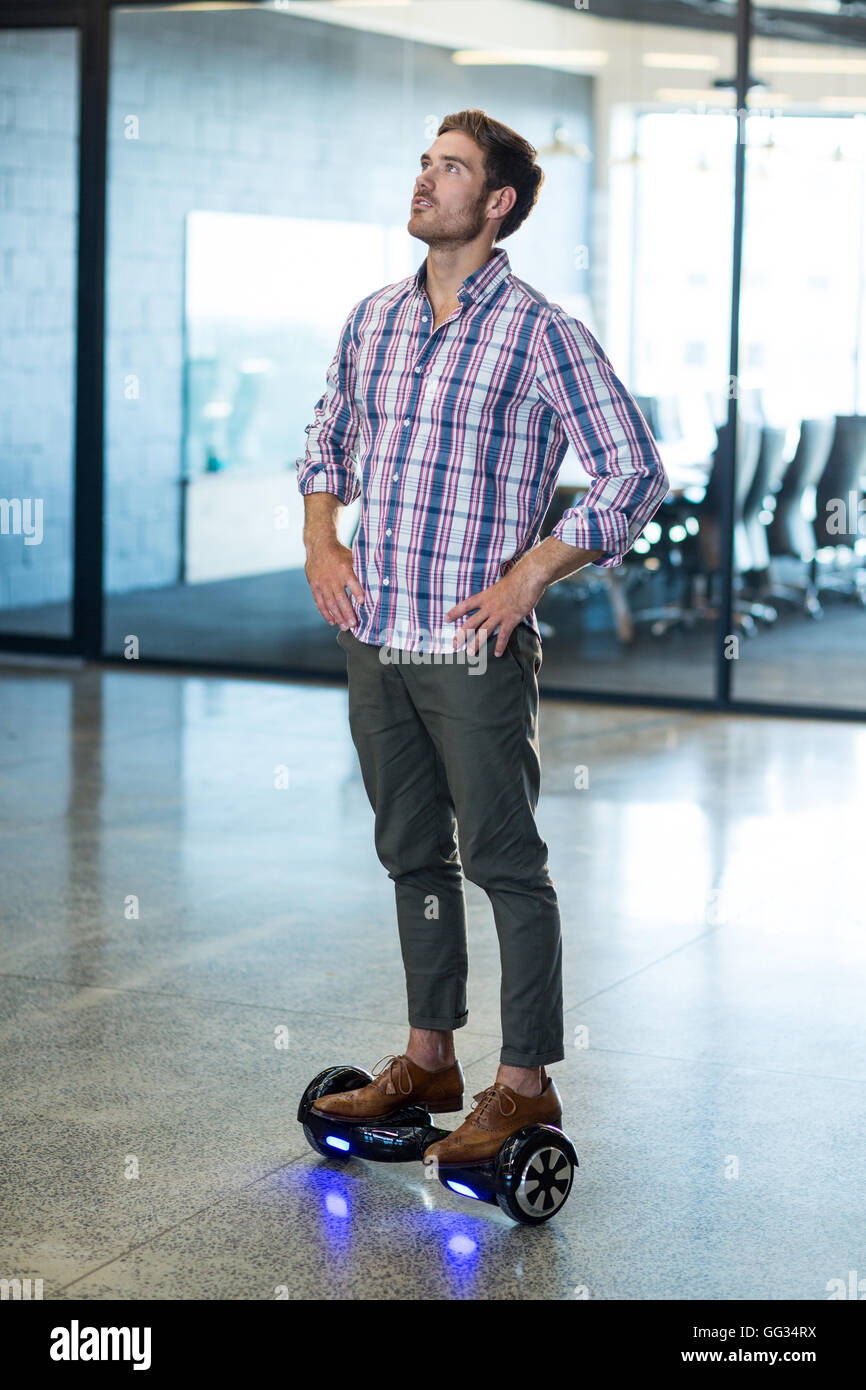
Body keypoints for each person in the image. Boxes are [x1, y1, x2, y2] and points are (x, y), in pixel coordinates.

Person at [296, 108, 669, 1169]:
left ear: (495, 202)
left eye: (449, 168)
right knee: (411, 853)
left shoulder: (541, 331)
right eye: (422, 161)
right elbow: (325, 440)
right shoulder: (372, 317)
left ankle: (524, 1080)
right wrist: (324, 542)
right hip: (375, 633)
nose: (424, 180)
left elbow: (631, 470)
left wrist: (530, 570)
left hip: (471, 644)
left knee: (504, 861)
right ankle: (429, 1057)